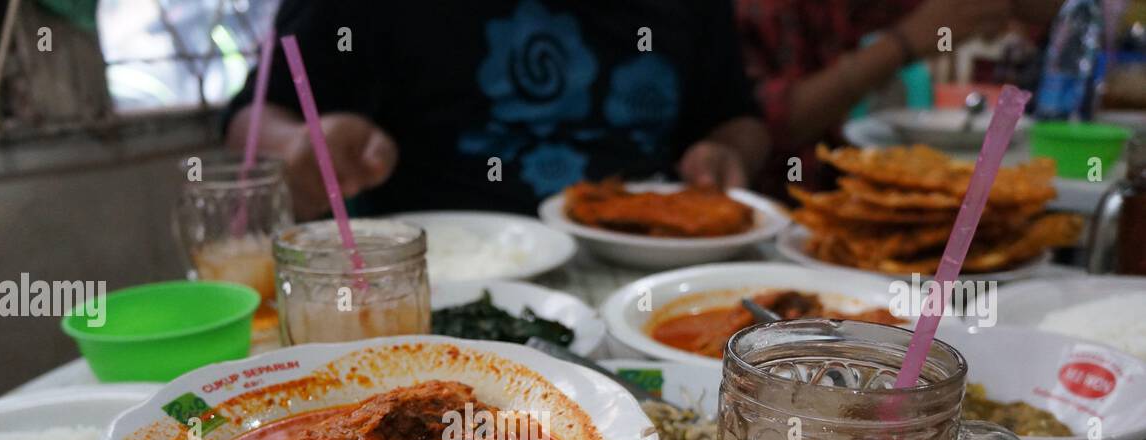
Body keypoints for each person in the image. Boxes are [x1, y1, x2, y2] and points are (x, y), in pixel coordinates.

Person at [225, 0, 769, 219]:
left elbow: (737, 118)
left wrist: (723, 151)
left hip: (647, 267)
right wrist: (297, 145)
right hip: (444, 274)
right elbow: (253, 115)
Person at [736, 0, 1063, 191]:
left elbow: (1046, 9)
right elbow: (768, 121)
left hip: (871, 202)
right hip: (771, 216)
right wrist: (904, 43)